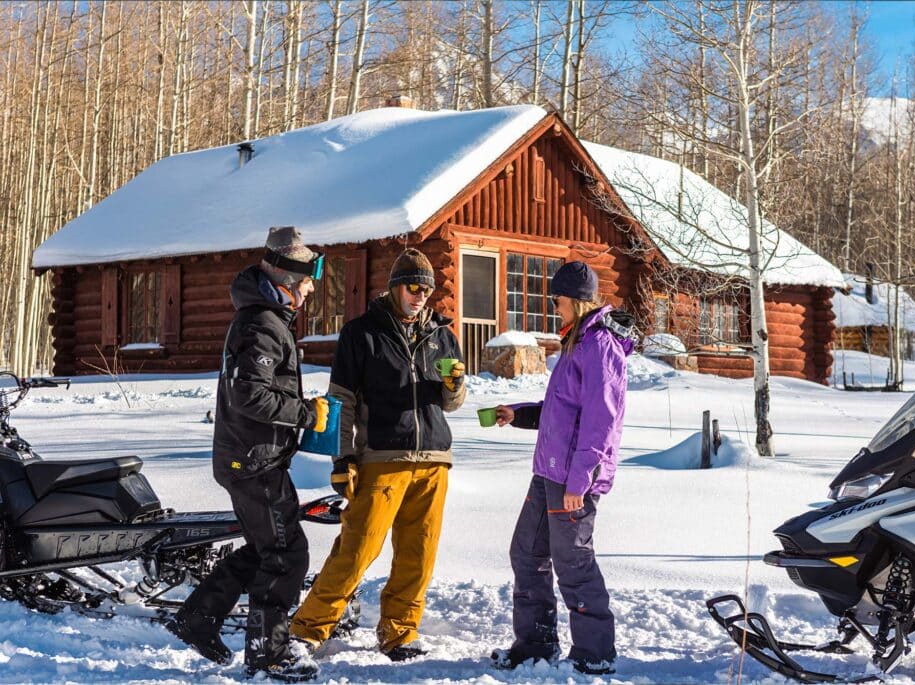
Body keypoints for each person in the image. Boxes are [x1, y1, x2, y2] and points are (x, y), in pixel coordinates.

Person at [167, 226, 328, 683]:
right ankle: (268, 653)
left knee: (265, 546)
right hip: (251, 460)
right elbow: (249, 396)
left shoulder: (267, 319)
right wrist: (304, 413)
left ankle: (197, 618)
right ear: (288, 281)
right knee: (285, 552)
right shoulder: (261, 322)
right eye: (308, 283)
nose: (311, 292)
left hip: (255, 456)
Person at [290, 248, 466, 661]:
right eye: (412, 286)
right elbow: (342, 402)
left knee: (418, 554)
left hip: (434, 460)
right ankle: (308, 628)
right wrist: (342, 459)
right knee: (357, 550)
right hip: (381, 458)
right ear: (394, 288)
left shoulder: (443, 336)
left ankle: (400, 633)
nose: (420, 294)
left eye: (426, 288)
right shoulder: (362, 333)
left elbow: (452, 403)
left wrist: (455, 385)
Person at [489, 261, 633, 676]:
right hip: (550, 472)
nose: (555, 308)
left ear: (577, 300)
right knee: (527, 553)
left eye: (558, 300)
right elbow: (561, 410)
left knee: (573, 562)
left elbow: (601, 420)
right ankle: (535, 645)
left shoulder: (600, 345)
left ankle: (595, 652)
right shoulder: (577, 342)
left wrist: (581, 478)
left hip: (572, 478)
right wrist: (516, 413)